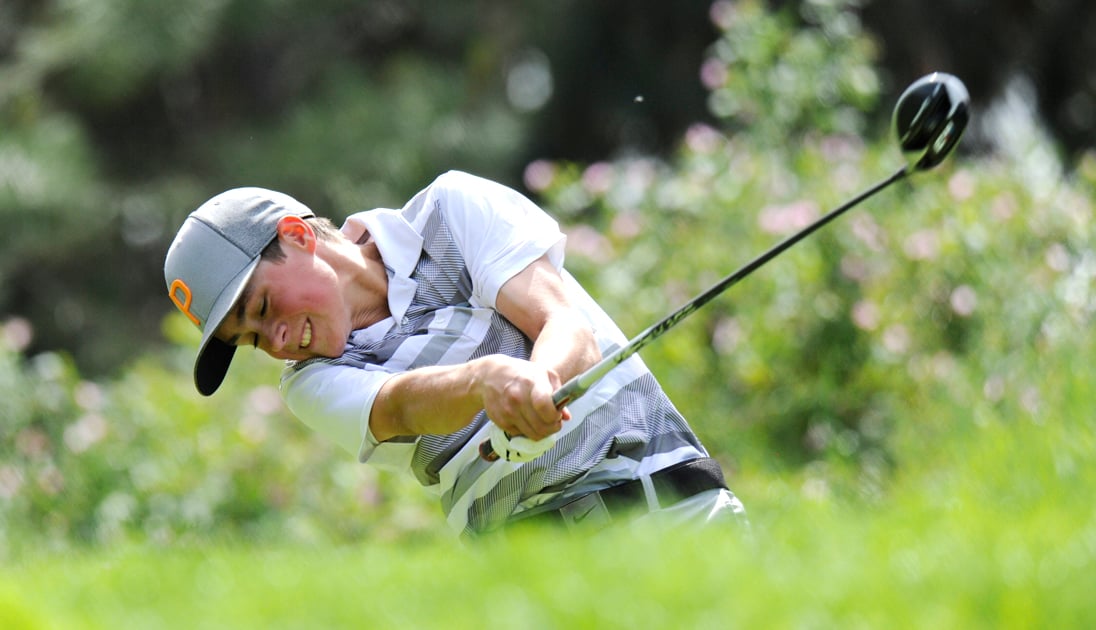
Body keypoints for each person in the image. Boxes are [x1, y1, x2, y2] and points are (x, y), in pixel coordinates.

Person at [164, 170, 745, 538]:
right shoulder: (310, 383)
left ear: (297, 235)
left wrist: (538, 379)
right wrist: (485, 381)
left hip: (681, 513)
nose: (277, 341)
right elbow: (404, 408)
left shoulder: (451, 209)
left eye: (262, 309)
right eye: (253, 340)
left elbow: (565, 324)